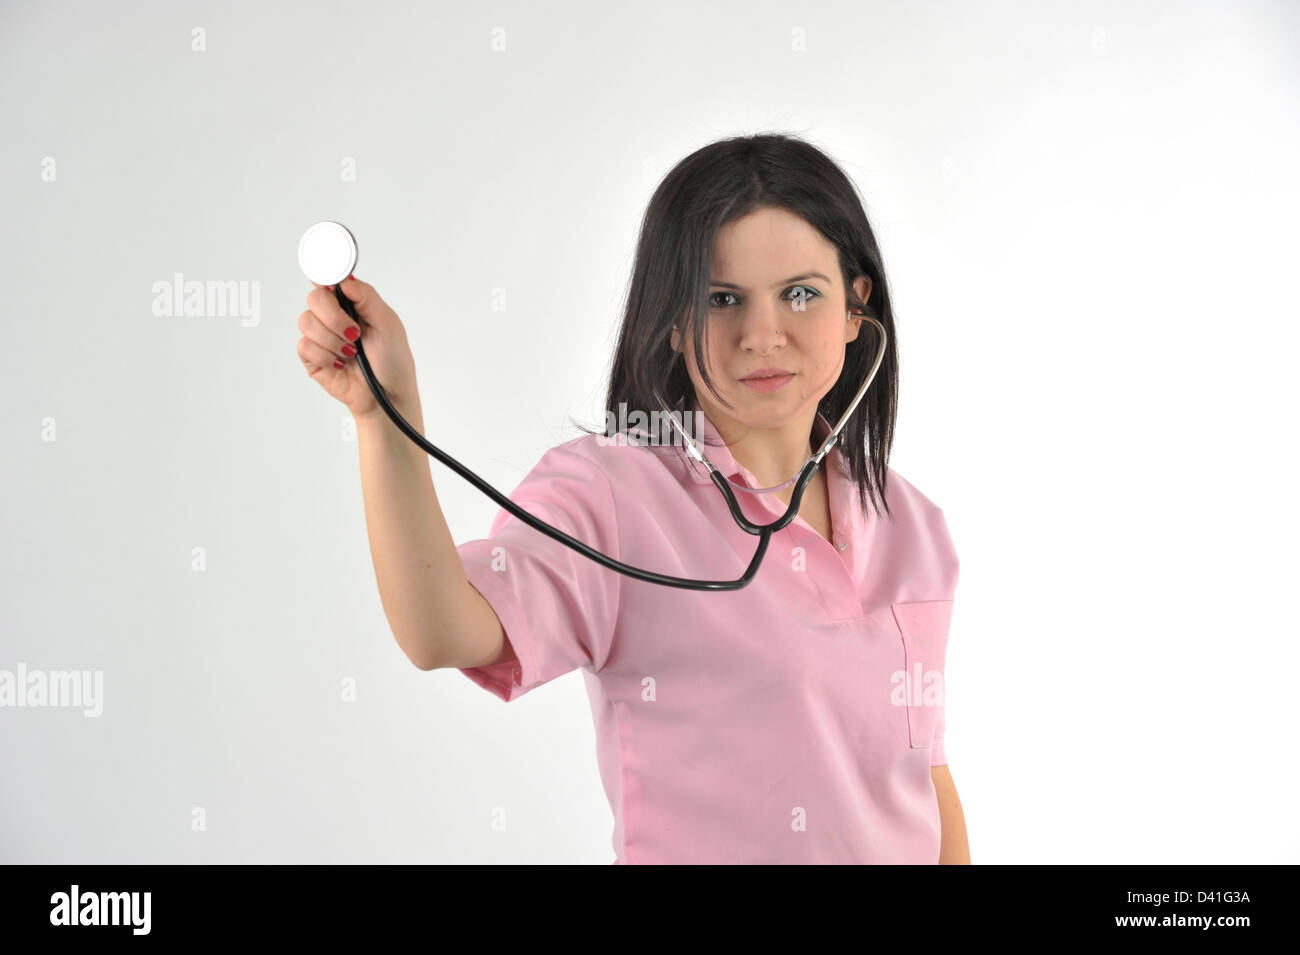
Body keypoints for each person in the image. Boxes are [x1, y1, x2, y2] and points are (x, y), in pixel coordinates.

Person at [296, 132, 969, 864]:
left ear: (854, 306)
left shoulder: (915, 525)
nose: (762, 333)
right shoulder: (611, 496)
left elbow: (924, 776)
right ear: (675, 323)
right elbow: (439, 629)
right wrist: (384, 416)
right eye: (721, 299)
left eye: (801, 293)